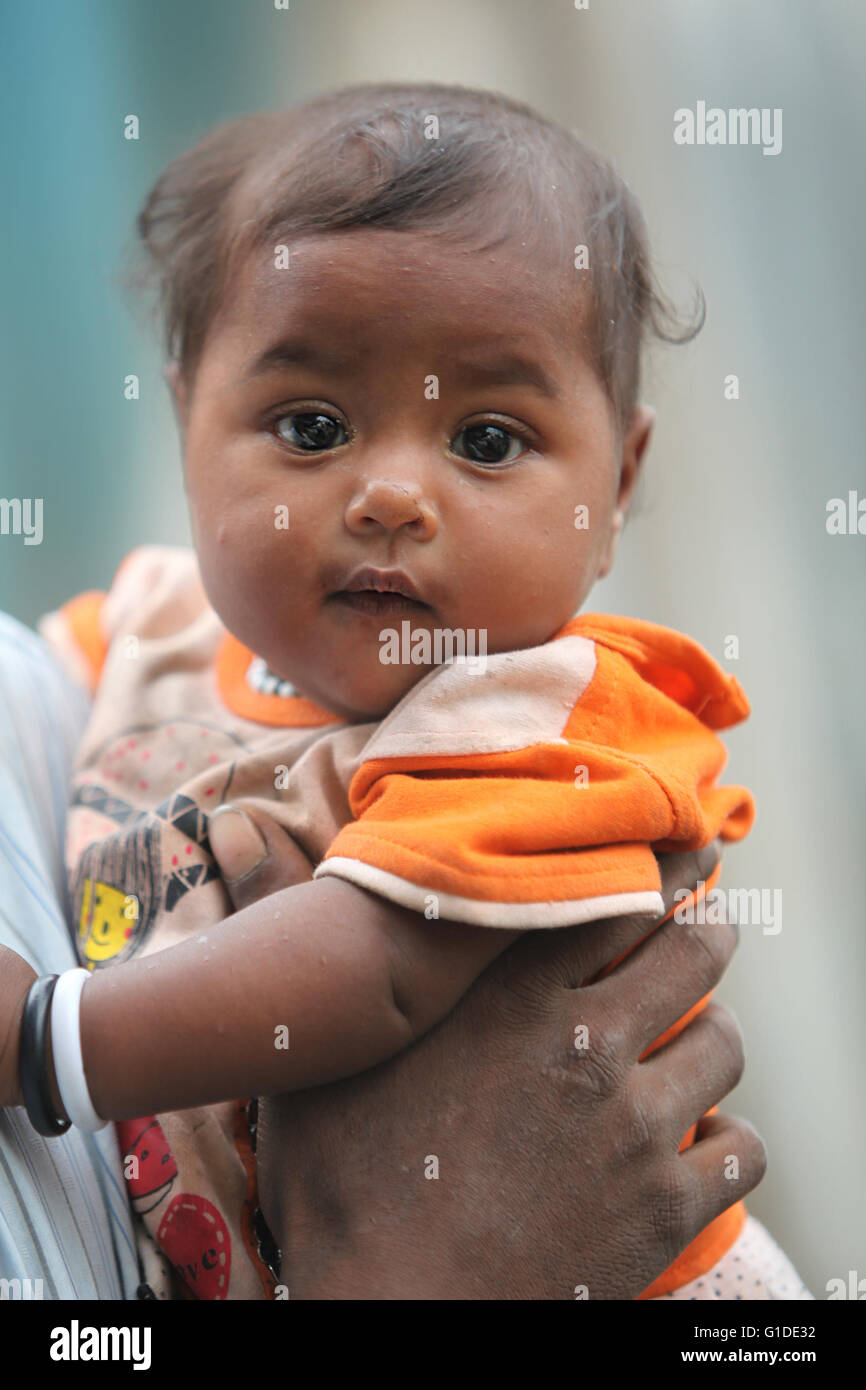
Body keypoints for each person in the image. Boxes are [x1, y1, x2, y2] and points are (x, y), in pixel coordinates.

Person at [0, 83, 811, 1299]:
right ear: (183, 424)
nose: (389, 494)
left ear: (618, 481)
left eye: (486, 440)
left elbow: (371, 965)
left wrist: (44, 1040)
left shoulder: (549, 713)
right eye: (313, 423)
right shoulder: (141, 631)